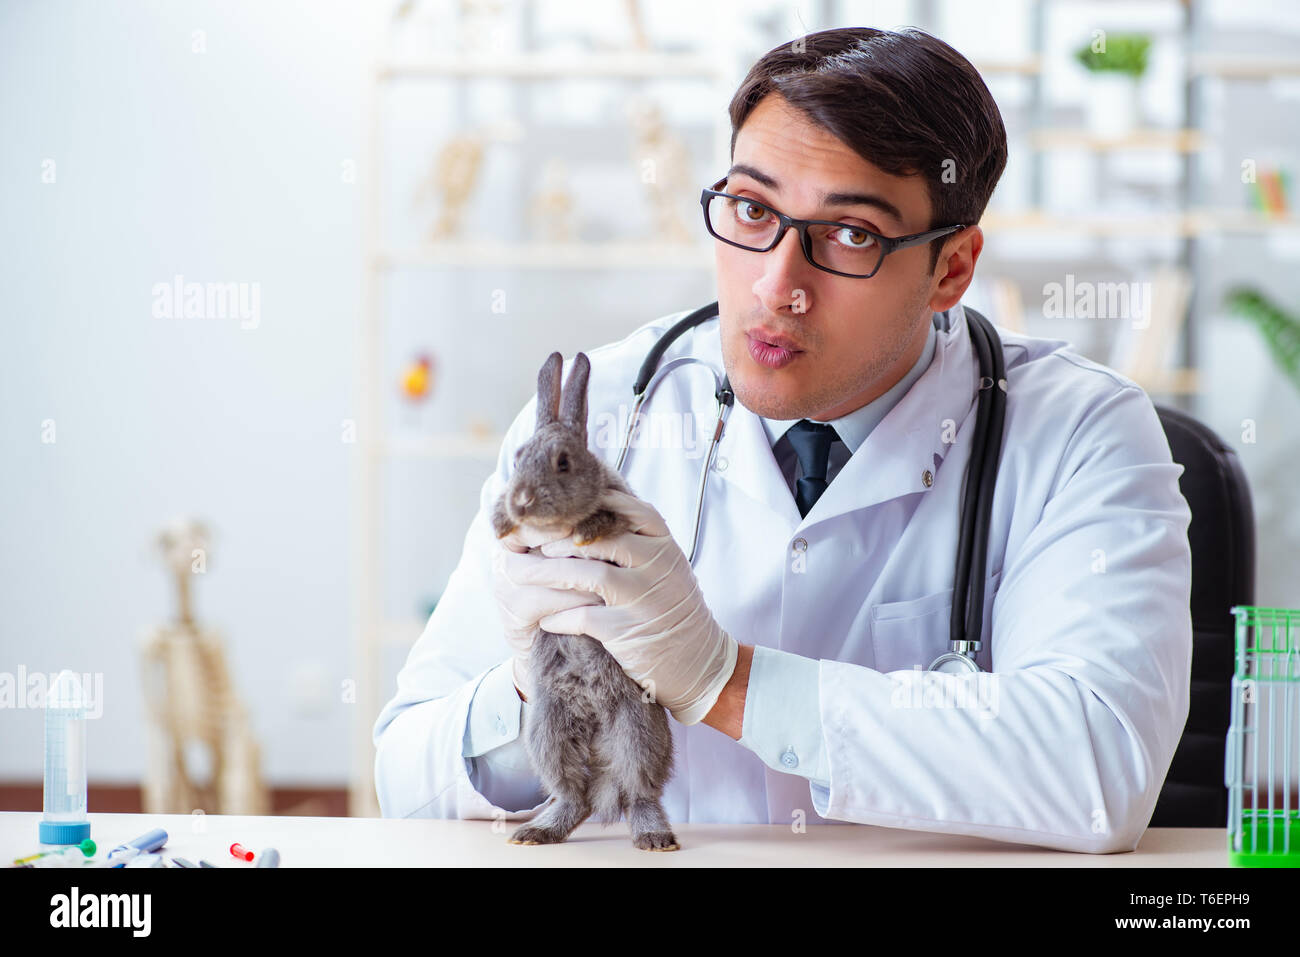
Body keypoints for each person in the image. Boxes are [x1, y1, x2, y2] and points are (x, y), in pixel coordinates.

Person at [373, 26, 1192, 854]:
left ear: (951, 267)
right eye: (753, 210)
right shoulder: (600, 419)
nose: (776, 284)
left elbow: (1100, 768)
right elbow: (407, 774)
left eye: (851, 235)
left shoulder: (1084, 435)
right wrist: (526, 686)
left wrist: (727, 681)